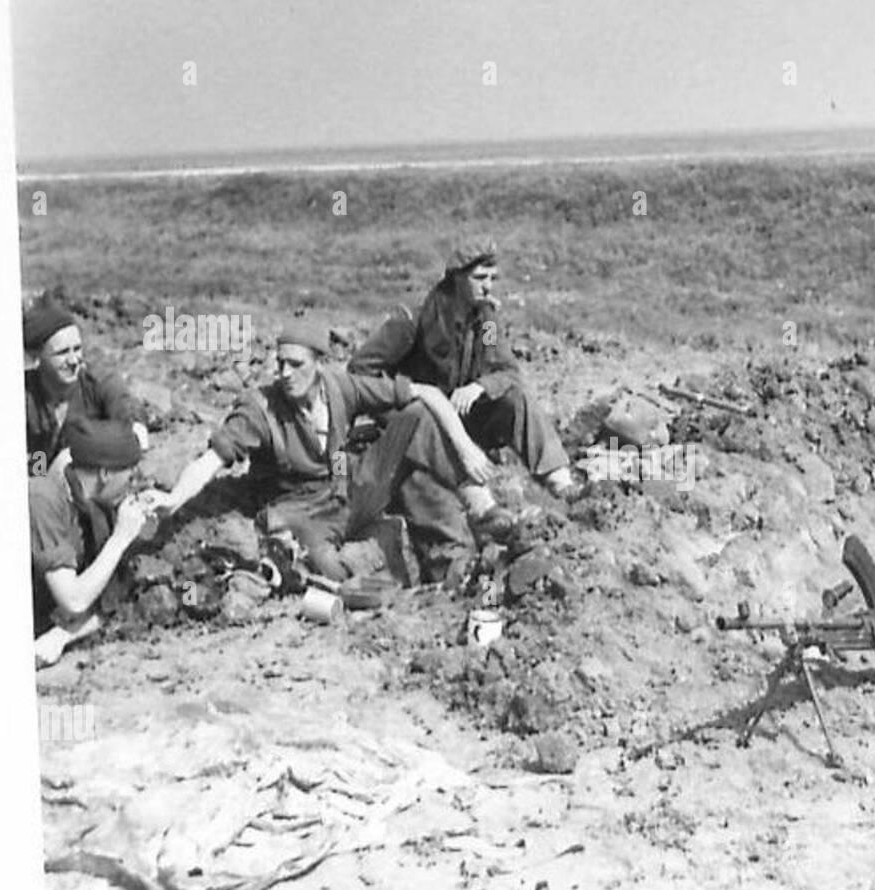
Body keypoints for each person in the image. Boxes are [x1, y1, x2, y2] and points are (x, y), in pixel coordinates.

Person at [157, 321, 507, 582]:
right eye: (280, 364)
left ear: (319, 364)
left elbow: (425, 393)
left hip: (347, 487)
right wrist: (173, 499)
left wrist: (467, 451)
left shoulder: (339, 386)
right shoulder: (259, 409)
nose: (284, 373)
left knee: (416, 418)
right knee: (329, 574)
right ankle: (377, 548)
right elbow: (211, 461)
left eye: (296, 365)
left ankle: (480, 519)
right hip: (302, 511)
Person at [349, 237, 578, 505]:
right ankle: (482, 506)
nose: (488, 286)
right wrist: (404, 395)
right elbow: (360, 369)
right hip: (422, 423)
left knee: (517, 399)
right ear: (457, 278)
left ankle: (562, 484)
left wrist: (479, 387)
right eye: (479, 277)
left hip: (465, 414)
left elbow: (506, 370)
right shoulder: (415, 319)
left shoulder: (486, 321)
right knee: (423, 417)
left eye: (492, 278)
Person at [29, 417, 164, 666]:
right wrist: (120, 539)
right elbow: (75, 601)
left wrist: (61, 636)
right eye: (130, 475)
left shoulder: (95, 501)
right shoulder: (43, 498)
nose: (133, 484)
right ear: (104, 473)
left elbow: (111, 598)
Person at [23, 299, 148, 475]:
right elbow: (34, 460)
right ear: (37, 356)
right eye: (62, 353)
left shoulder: (99, 383)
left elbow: (129, 415)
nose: (74, 360)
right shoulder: (25, 395)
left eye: (77, 349)